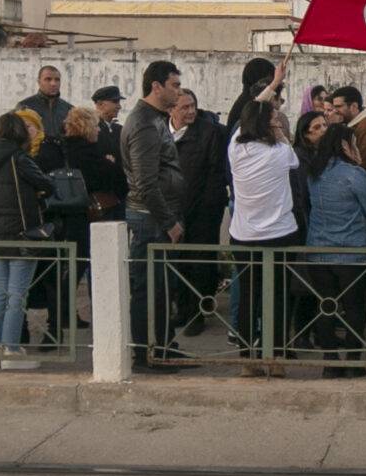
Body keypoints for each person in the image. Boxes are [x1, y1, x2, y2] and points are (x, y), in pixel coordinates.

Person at [227, 70, 299, 375]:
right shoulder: (281, 152)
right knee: (278, 298)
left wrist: (270, 86)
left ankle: (248, 359)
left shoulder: (236, 149)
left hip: (244, 235)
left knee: (248, 298)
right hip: (280, 235)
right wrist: (280, 130)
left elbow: (250, 108)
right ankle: (277, 358)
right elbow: (294, 159)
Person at [0, 111, 54, 368]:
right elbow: (45, 183)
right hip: (21, 232)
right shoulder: (18, 158)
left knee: (0, 291)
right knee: (17, 294)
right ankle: (11, 350)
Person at [300, 120, 366, 378]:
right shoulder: (355, 175)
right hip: (353, 252)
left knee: (327, 306)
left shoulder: (315, 173)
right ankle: (354, 362)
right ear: (346, 145)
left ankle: (330, 362)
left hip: (319, 251)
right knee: (354, 308)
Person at [125, 62, 191, 364]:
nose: (178, 92)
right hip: (150, 219)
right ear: (156, 86)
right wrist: (169, 222)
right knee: (149, 289)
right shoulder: (144, 124)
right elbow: (146, 181)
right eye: (174, 85)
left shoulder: (154, 120)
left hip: (157, 216)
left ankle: (162, 345)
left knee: (163, 288)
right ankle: (148, 352)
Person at [170, 85, 229, 337]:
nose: (191, 111)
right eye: (185, 107)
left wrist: (205, 208)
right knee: (177, 261)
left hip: (203, 211)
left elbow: (215, 175)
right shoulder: (162, 132)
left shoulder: (210, 133)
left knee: (200, 262)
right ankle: (182, 308)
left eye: (193, 106)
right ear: (172, 109)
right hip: (173, 211)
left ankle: (198, 312)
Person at [332, 84, 366, 175]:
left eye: (338, 106)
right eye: (334, 107)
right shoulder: (351, 125)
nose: (335, 111)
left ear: (354, 107)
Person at [21, 65, 75, 145]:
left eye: (57, 80)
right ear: (39, 82)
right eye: (48, 79)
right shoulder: (25, 106)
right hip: (34, 155)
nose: (53, 83)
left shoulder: (69, 109)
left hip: (61, 155)